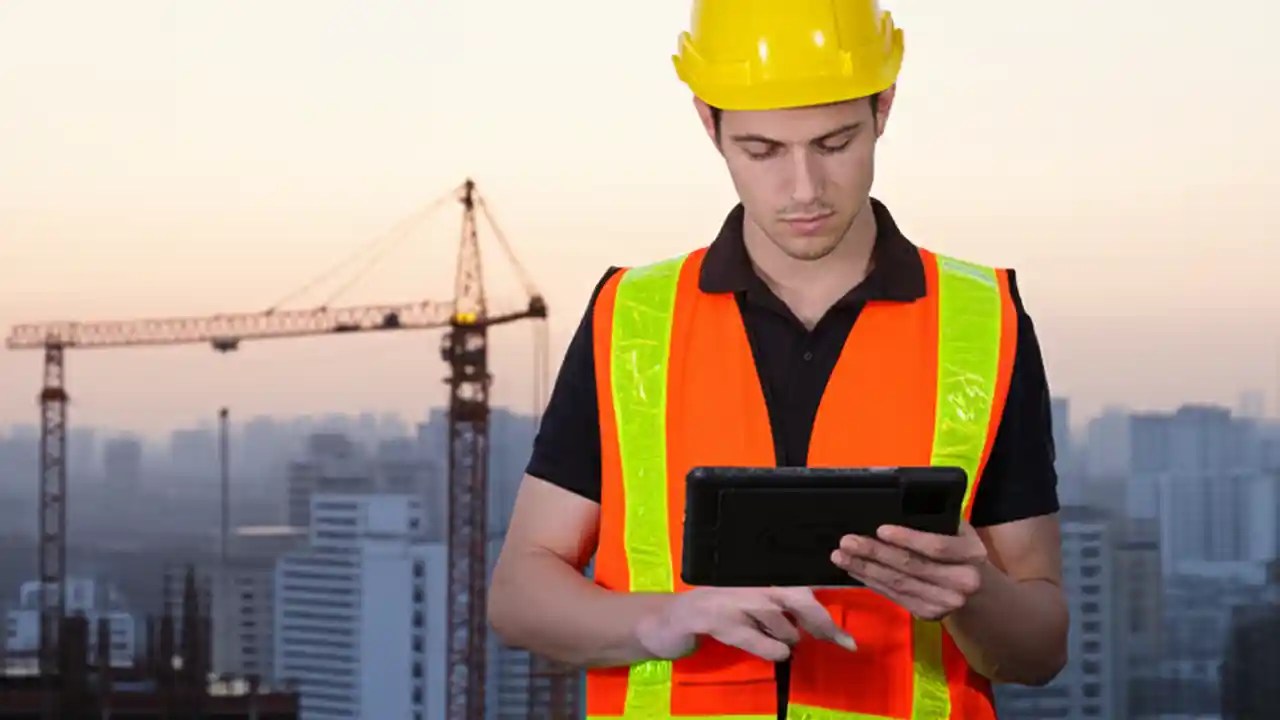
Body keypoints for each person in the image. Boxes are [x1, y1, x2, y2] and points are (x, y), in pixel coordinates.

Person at [488, 0, 1069, 717]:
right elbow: (519, 595)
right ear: (710, 126)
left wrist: (973, 595)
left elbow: (1040, 648)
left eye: (835, 143)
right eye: (762, 151)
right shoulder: (631, 317)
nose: (804, 190)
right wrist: (661, 618)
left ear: (884, 107)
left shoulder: (983, 320)